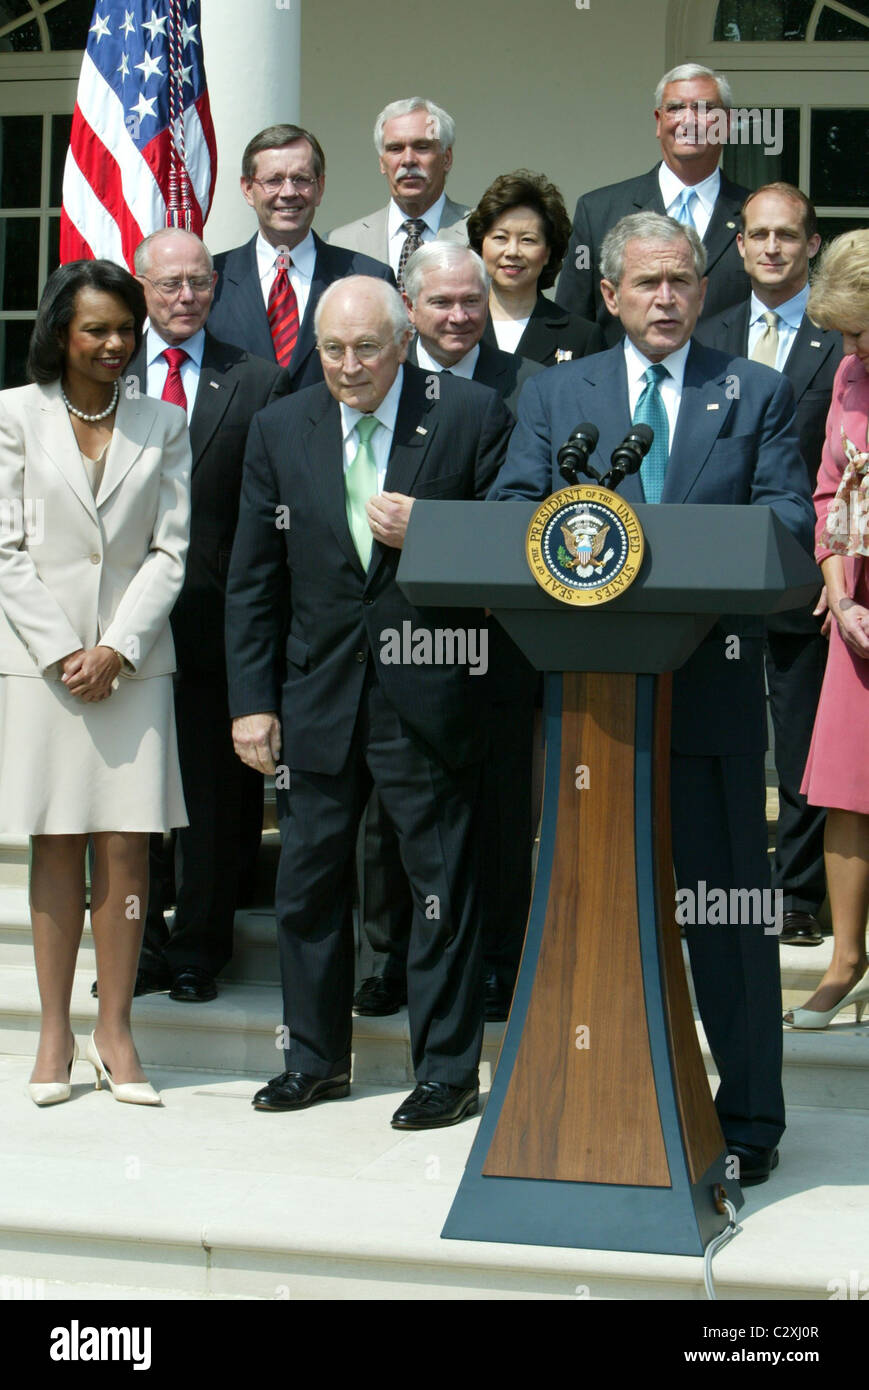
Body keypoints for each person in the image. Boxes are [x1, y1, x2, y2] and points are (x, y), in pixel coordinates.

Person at [491, 212, 815, 1184]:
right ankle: (590, 1091)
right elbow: (513, 510)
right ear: (609, 295)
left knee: (724, 916)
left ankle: (750, 1118)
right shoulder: (555, 396)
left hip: (706, 697)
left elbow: (788, 520)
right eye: (646, 284)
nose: (666, 299)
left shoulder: (749, 391)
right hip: (590, 705)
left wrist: (670, 553)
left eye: (680, 282)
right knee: (590, 913)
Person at [225, 276, 514, 1128]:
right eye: (332, 350)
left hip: (428, 691)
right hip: (316, 697)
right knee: (308, 889)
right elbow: (252, 581)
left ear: (402, 343)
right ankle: (313, 1062)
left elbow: (514, 542)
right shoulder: (282, 426)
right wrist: (252, 702)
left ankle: (445, 1073)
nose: (348, 367)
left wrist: (432, 528)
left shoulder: (469, 414)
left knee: (438, 890)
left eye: (366, 349)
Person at [0, 260, 190, 1106]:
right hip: (41, 668)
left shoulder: (165, 423)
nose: (115, 344)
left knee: (126, 843)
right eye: (96, 330)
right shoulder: (12, 416)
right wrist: (62, 650)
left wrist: (116, 646)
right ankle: (53, 1034)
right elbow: (4, 550)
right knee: (55, 839)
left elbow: (172, 548)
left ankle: (115, 1030)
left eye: (125, 329)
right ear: (59, 334)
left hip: (134, 667)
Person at [353, 243, 541, 1022]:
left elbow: (523, 509)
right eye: (441, 303)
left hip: (490, 646)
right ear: (408, 308)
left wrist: (431, 529)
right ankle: (384, 960)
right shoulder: (364, 375)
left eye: (472, 301)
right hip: (383, 647)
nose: (460, 316)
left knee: (494, 817)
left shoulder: (524, 386)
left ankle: (496, 963)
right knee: (381, 820)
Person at [123, 227, 288, 1003]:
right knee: (129, 797)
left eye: (198, 283)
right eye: (169, 285)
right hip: (120, 630)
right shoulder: (107, 373)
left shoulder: (255, 379)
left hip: (219, 629)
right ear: (142, 284)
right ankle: (137, 947)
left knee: (216, 805)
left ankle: (198, 950)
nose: (185, 297)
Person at [698, 184, 842, 948]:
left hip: (799, 578)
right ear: (741, 244)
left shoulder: (838, 336)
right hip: (708, 580)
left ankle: (795, 894)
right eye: (757, 235)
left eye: (787, 235)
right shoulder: (709, 330)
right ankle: (714, 887)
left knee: (798, 747)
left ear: (811, 244)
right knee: (715, 738)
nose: (772, 248)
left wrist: (834, 570)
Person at [785, 229, 869, 1029]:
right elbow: (825, 495)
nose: (849, 348)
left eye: (859, 329)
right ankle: (844, 959)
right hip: (856, 611)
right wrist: (839, 594)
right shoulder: (849, 374)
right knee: (846, 790)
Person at [556, 64, 750, 344]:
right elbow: (572, 323)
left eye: (705, 109)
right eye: (675, 108)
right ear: (659, 121)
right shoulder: (598, 211)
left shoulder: (755, 218)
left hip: (728, 384)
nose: (689, 120)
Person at [208, 124, 394, 388]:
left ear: (320, 187)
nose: (288, 192)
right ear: (248, 189)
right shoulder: (212, 279)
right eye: (273, 180)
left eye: (301, 179)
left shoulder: (370, 277)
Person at [328, 97, 470, 287]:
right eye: (395, 149)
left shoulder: (481, 232)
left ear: (447, 158)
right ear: (382, 163)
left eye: (422, 147)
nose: (408, 160)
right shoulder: (341, 242)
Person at [467, 169, 605, 364]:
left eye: (528, 240)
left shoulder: (581, 336)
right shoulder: (459, 324)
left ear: (548, 252)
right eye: (500, 238)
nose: (512, 251)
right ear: (481, 244)